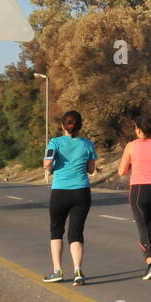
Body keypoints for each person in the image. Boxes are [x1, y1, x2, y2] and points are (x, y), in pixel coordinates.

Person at [43, 110, 97, 285]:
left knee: (56, 231)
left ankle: (57, 270)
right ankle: (78, 271)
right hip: (81, 192)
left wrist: (51, 166)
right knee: (76, 232)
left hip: (60, 191)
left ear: (62, 126)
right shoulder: (88, 145)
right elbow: (91, 170)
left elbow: (47, 165)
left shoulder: (55, 143)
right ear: (80, 125)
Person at [118, 114, 151, 280]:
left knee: (143, 227)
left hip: (139, 190)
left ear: (139, 130)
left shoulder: (131, 146)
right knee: (150, 225)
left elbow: (121, 171)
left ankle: (150, 266)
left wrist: (134, 165)